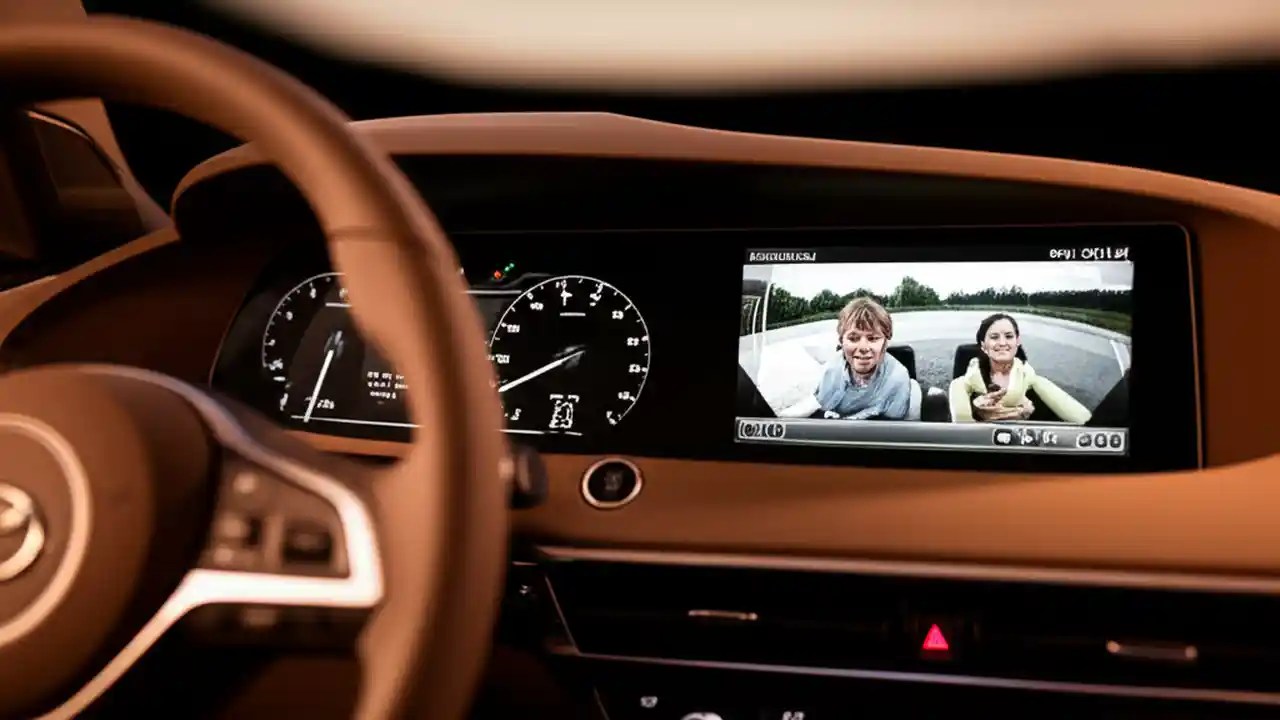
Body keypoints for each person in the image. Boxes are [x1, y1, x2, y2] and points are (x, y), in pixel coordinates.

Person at [778, 296, 912, 420]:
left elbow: (891, 432)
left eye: (873, 338)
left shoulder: (898, 379)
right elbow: (816, 404)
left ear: (885, 342)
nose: (864, 347)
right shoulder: (832, 369)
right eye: (853, 338)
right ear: (841, 341)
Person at [949, 312, 1091, 424]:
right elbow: (961, 428)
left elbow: (1081, 418)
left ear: (1017, 342)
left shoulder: (1029, 377)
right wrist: (975, 411)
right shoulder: (967, 380)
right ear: (983, 346)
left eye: (1009, 336)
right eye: (994, 337)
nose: (1002, 343)